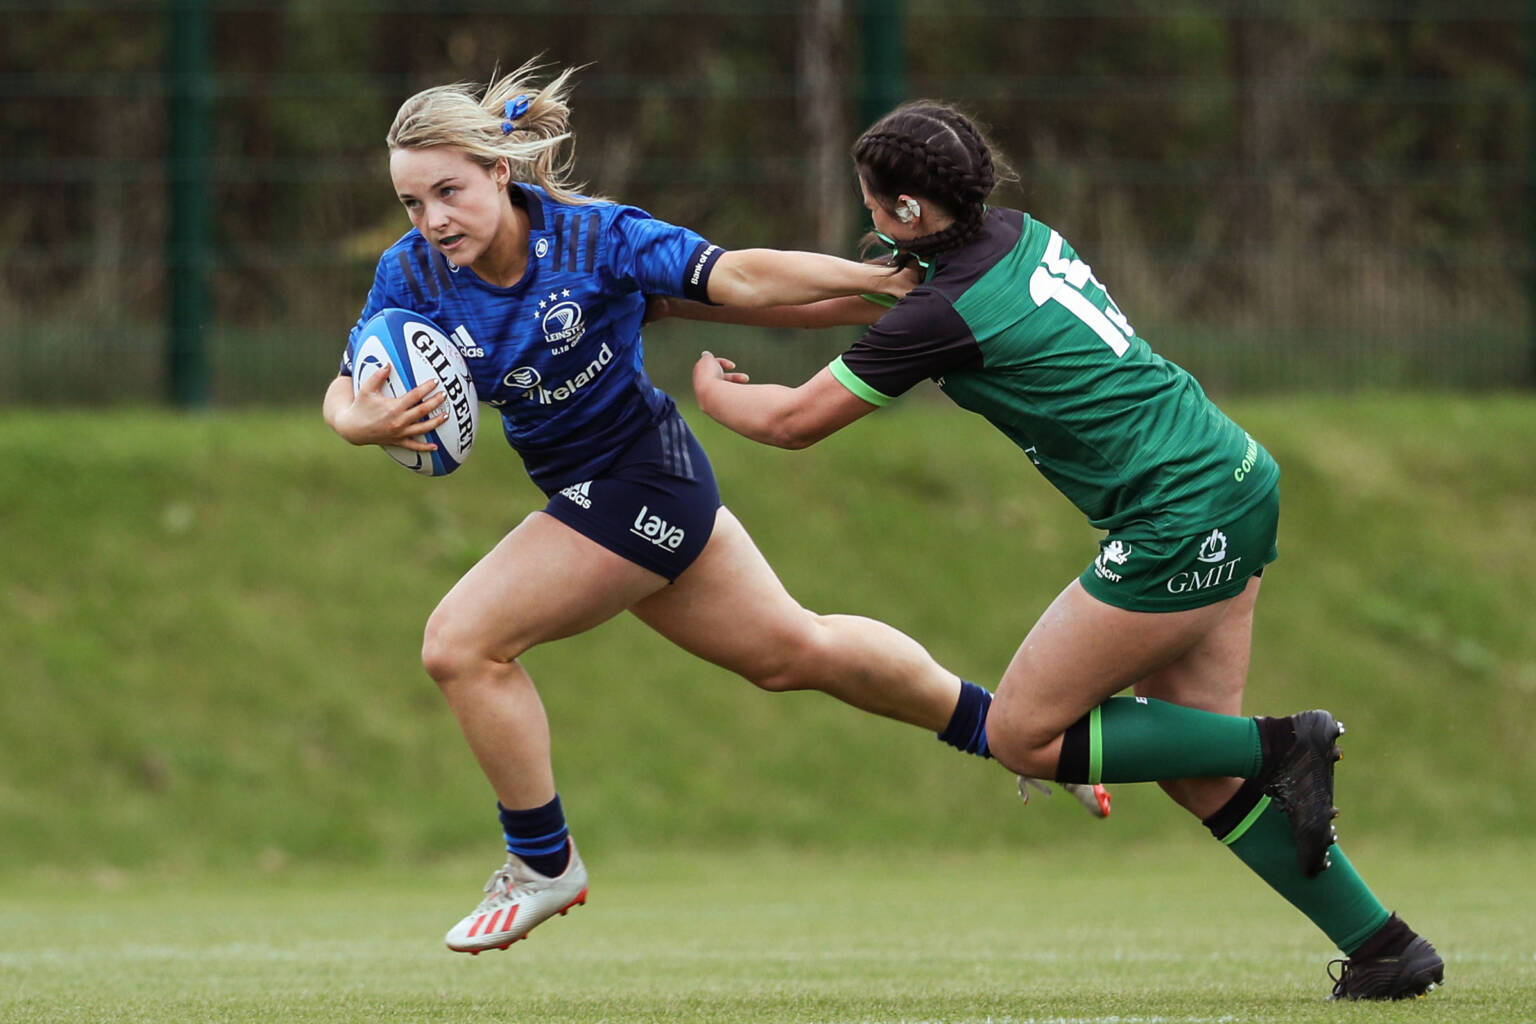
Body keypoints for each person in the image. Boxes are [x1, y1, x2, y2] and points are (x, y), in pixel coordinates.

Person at [322, 65, 1105, 956]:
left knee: (460, 644)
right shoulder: (413, 272)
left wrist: (880, 282)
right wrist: (361, 422)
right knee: (795, 651)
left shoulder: (594, 239)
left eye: (448, 193)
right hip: (609, 493)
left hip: (642, 480)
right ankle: (1016, 735)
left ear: (501, 173)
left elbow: (737, 278)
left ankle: (544, 865)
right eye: (412, 201)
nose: (432, 221)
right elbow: (348, 386)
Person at [678, 100, 1443, 1001]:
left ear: (913, 212)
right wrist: (692, 296)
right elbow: (869, 296)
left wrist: (707, 386)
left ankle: (1284, 743)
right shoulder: (1010, 233)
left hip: (1175, 515)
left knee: (1022, 733)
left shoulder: (945, 310)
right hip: (1233, 476)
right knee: (1195, 769)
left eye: (877, 208)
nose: (871, 223)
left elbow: (796, 422)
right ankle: (1384, 946)